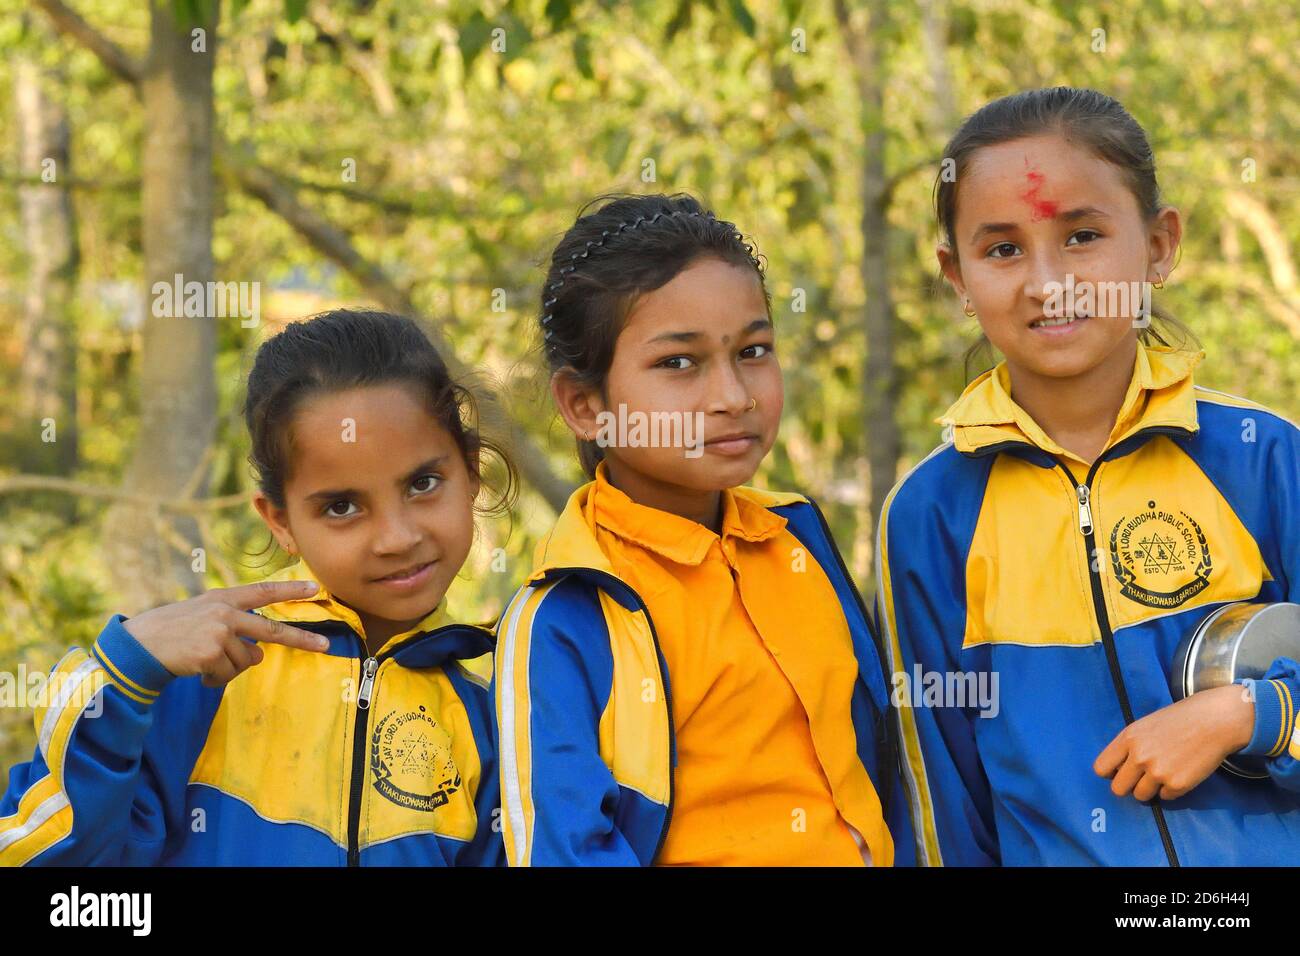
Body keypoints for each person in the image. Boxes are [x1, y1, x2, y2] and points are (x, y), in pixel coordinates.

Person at [878, 87, 1300, 865]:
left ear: (1159, 244)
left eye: (1082, 236)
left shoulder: (1263, 455)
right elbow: (944, 797)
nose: (1048, 282)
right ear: (956, 275)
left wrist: (1250, 714)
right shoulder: (929, 513)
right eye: (1002, 250)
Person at [0, 309, 511, 865]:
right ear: (281, 521)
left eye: (422, 483)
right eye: (341, 506)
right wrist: (124, 671)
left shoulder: (501, 708)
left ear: (471, 472)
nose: (395, 537)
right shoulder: (205, 680)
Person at [493, 193, 913, 866]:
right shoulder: (567, 615)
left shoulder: (796, 539)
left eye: (753, 350)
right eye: (679, 363)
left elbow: (881, 772)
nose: (733, 396)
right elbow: (565, 848)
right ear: (584, 404)